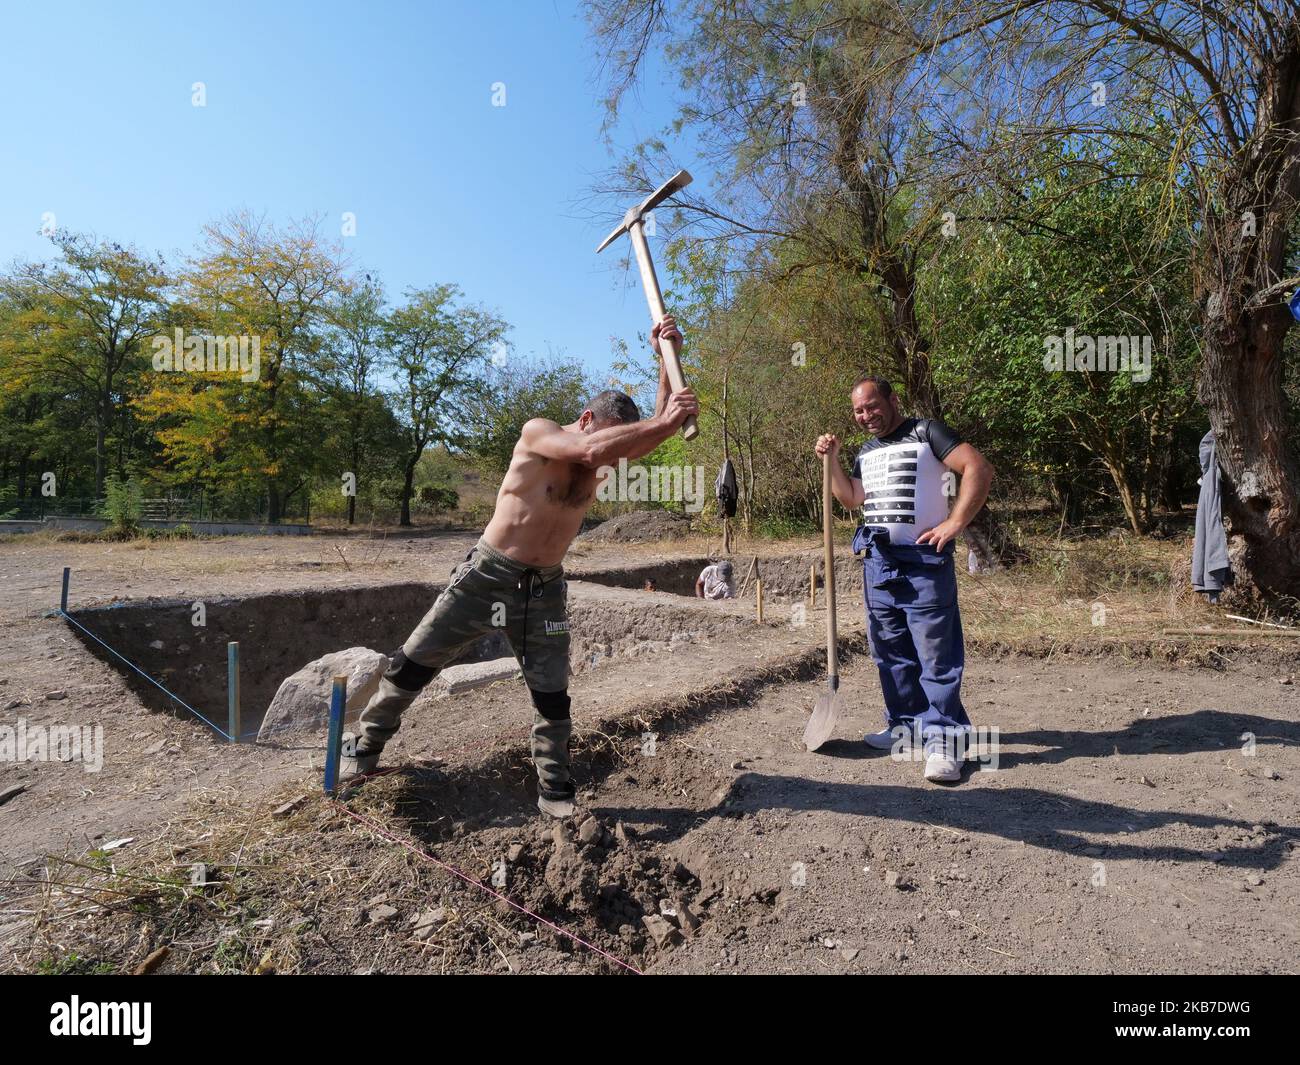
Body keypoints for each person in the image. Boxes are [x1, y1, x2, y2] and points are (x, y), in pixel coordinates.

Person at [340, 317, 698, 816]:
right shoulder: (541, 434)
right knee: (413, 664)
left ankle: (556, 797)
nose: (610, 460)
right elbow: (604, 446)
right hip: (488, 574)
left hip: (544, 588)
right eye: (609, 442)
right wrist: (664, 420)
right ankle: (364, 751)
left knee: (552, 695)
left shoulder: (602, 454)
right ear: (587, 418)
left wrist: (666, 360)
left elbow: (645, 437)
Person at [815, 376, 993, 783]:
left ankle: (945, 740)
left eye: (872, 406)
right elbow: (851, 498)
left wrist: (954, 523)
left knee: (936, 654)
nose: (866, 416)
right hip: (877, 560)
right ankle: (906, 725)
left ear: (893, 399)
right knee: (890, 651)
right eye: (858, 411)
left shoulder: (926, 432)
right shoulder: (866, 449)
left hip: (924, 562)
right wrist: (834, 460)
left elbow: (977, 467)